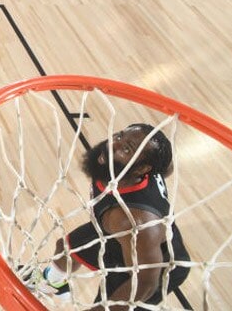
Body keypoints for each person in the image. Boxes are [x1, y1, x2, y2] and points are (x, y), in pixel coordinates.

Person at [35, 124, 190, 310]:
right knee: (67, 248)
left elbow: (146, 283)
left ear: (141, 169)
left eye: (126, 149)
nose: (113, 144)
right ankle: (51, 284)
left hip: (153, 269)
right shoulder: (117, 167)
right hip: (122, 238)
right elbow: (167, 167)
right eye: (120, 136)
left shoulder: (134, 220)